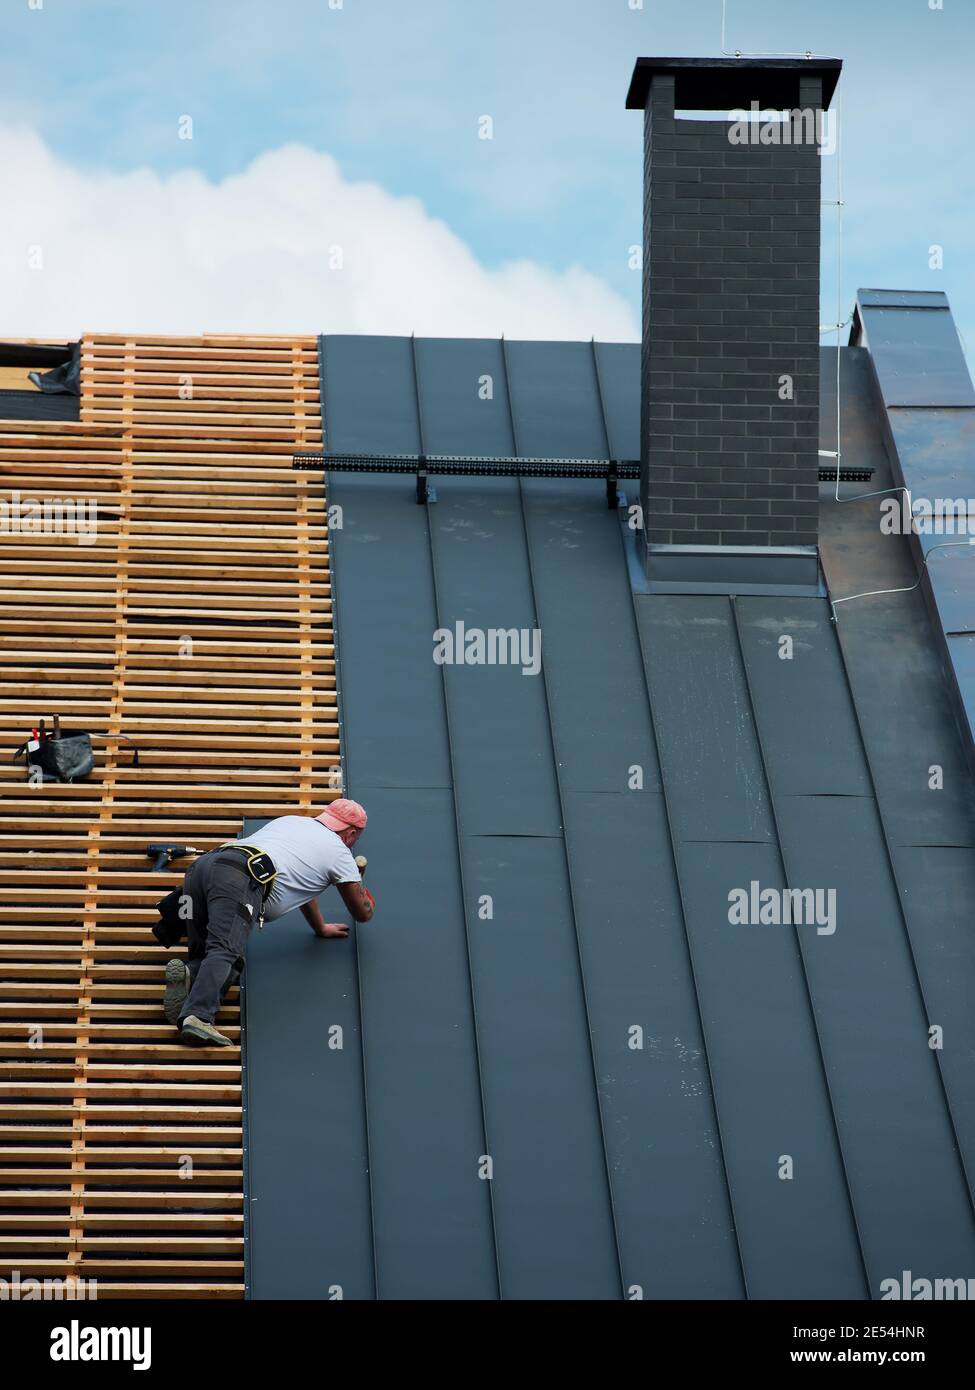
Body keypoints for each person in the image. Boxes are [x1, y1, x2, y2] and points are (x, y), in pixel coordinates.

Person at [162, 800, 374, 1046]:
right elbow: (362, 913)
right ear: (351, 833)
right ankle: (197, 1017)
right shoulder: (340, 852)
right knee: (225, 949)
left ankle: (190, 975)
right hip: (240, 878)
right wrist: (362, 887)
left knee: (217, 956)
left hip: (204, 867)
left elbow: (304, 889)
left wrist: (320, 927)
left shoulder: (293, 822)